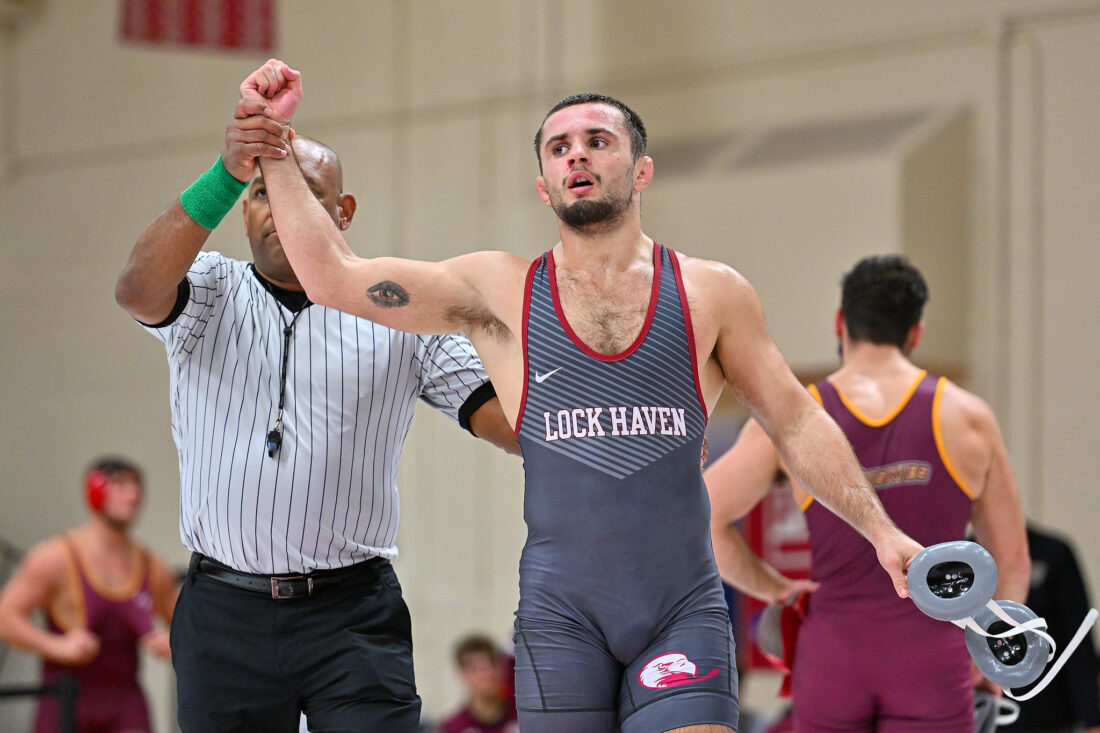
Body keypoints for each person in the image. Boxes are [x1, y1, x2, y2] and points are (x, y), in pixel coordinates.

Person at [245, 58, 923, 733]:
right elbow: (334, 278)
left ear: (641, 170)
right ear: (544, 186)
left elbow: (796, 419)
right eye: (559, 147)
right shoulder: (498, 290)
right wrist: (274, 144)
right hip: (561, 618)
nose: (578, 156)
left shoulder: (710, 291)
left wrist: (881, 529)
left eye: (598, 141)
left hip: (681, 610)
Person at [114, 96, 517, 732]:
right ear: (242, 208)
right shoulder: (211, 289)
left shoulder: (400, 308)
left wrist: (500, 324)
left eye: (302, 191)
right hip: (224, 611)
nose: (278, 208)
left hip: (352, 612)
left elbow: (513, 427)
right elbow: (135, 289)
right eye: (260, 192)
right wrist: (224, 169)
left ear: (343, 212)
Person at [704, 254, 1032, 732]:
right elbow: (1014, 558)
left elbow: (703, 517)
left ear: (841, 323)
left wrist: (778, 590)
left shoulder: (799, 417)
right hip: (933, 661)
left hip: (833, 655)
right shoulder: (968, 416)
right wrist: (991, 652)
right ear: (916, 332)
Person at [0, 458, 178, 733]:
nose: (132, 495)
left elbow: (186, 626)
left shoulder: (153, 567)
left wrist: (174, 643)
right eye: (120, 484)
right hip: (65, 701)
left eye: (136, 486)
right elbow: (6, 617)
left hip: (125, 705)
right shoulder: (55, 558)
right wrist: (56, 646)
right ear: (94, 490)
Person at [1001, 523, 1100, 733]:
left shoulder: (1053, 552)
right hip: (985, 710)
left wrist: (1092, 718)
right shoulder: (965, 556)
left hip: (1051, 713)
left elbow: (1078, 642)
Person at [438, 633, 518, 733]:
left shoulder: (524, 718)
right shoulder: (451, 729)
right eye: (476, 668)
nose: (488, 674)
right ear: (463, 675)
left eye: (492, 663)